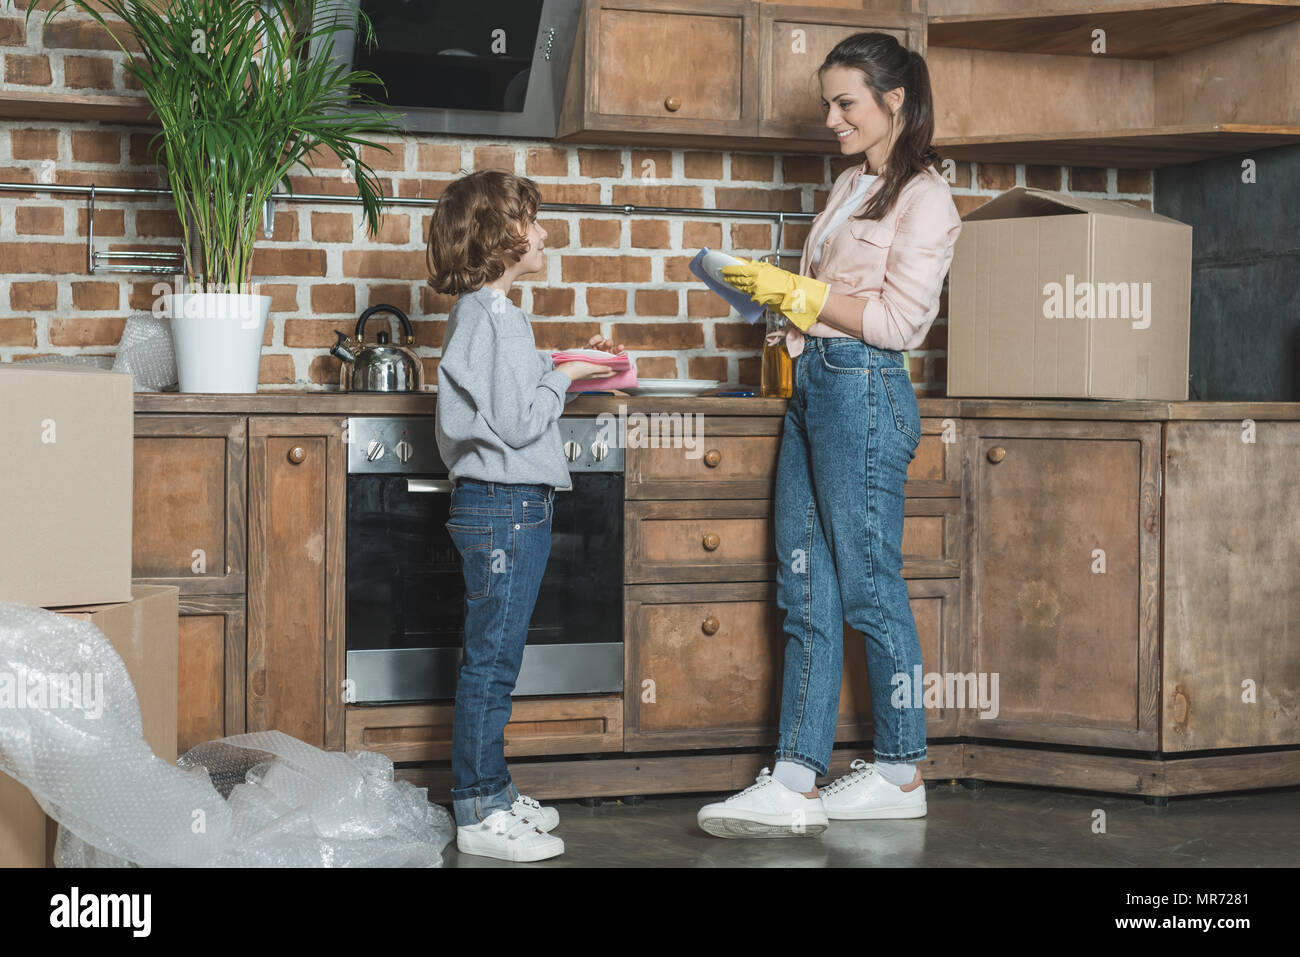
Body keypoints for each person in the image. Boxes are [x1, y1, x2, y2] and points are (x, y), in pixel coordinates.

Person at [698, 32, 962, 838]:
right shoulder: (849, 185)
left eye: (846, 103)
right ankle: (795, 779)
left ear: (897, 103)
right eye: (827, 103)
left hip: (867, 394)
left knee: (869, 585)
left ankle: (901, 767)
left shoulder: (929, 200)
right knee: (803, 588)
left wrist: (802, 296)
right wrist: (774, 301)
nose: (832, 118)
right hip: (815, 387)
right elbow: (826, 296)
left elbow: (896, 321)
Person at [428, 169, 622, 861]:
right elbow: (516, 420)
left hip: (506, 507)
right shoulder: (490, 315)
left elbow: (508, 388)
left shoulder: (493, 314)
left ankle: (496, 790)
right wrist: (566, 377)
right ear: (497, 236)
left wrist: (566, 360)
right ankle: (478, 810)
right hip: (505, 507)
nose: (542, 233)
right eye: (530, 221)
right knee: (491, 662)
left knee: (496, 655)